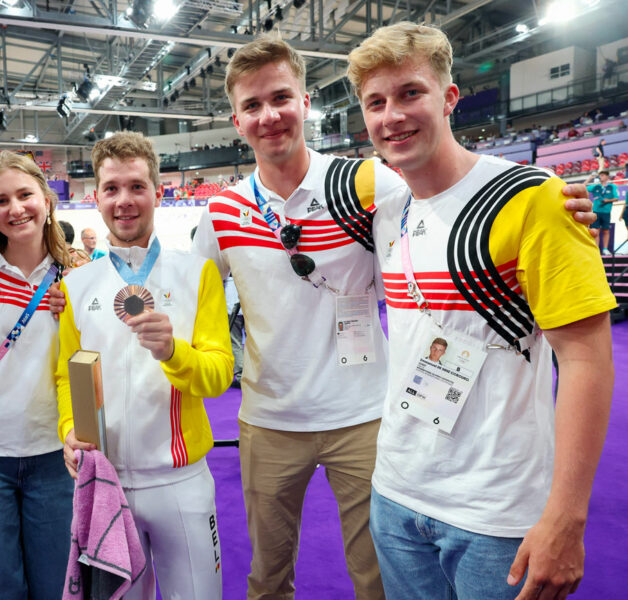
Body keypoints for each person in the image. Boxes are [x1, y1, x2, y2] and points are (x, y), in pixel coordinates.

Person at [192, 33, 598, 600]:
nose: (270, 116)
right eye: (252, 106)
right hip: (297, 429)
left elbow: (461, 188)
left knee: (372, 583)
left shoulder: (372, 184)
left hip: (376, 424)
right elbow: (178, 288)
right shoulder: (228, 211)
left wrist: (559, 199)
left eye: (281, 97)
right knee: (268, 576)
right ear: (236, 120)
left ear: (306, 103)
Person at [348, 21, 615, 600]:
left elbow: (587, 359)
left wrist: (567, 518)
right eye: (376, 102)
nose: (392, 115)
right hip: (395, 494)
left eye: (410, 93)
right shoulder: (387, 210)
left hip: (498, 512)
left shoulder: (530, 198)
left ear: (448, 98)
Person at [57, 132, 233, 599]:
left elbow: (218, 375)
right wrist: (71, 428)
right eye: (112, 188)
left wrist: (174, 352)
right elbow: (67, 374)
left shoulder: (197, 273)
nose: (124, 201)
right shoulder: (77, 285)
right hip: (105, 485)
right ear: (95, 197)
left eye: (137, 186)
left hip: (181, 482)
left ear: (158, 191)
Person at [0, 151, 74, 599]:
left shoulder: (78, 274)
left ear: (47, 199)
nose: (15, 208)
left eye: (25, 195)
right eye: (0, 200)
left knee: (57, 585)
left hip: (57, 453)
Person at [585, 170, 618, 253]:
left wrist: (607, 200)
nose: (601, 177)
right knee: (596, 231)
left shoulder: (612, 186)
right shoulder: (595, 186)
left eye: (603, 175)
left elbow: (616, 198)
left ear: (607, 177)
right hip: (596, 211)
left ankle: (605, 249)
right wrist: (590, 178)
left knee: (606, 230)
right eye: (600, 175)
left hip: (606, 212)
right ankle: (596, 249)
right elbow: (582, 187)